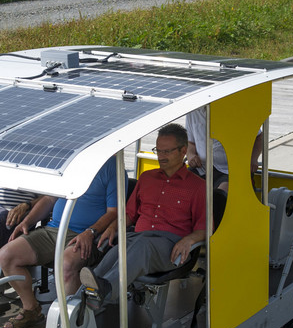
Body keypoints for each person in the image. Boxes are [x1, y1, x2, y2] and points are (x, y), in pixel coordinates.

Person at [80, 123, 207, 306]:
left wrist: (188, 240)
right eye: (158, 150)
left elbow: (204, 227)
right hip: (138, 238)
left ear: (183, 151)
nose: (161, 157)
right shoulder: (147, 178)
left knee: (141, 245)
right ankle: (84, 294)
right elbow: (130, 214)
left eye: (167, 152)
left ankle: (107, 290)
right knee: (116, 250)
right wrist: (112, 228)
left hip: (170, 246)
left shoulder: (197, 187)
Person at [0, 158, 119, 328]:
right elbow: (49, 199)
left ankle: (70, 324)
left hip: (87, 235)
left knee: (66, 264)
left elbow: (114, 212)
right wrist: (28, 221)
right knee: (6, 255)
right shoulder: (70, 160)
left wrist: (90, 232)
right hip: (54, 229)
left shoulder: (110, 165)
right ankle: (31, 310)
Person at [186, 105, 263, 192]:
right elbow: (190, 142)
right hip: (202, 168)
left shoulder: (234, 107)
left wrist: (253, 159)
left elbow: (259, 137)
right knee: (180, 183)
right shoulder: (192, 111)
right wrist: (191, 155)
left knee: (221, 194)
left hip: (231, 170)